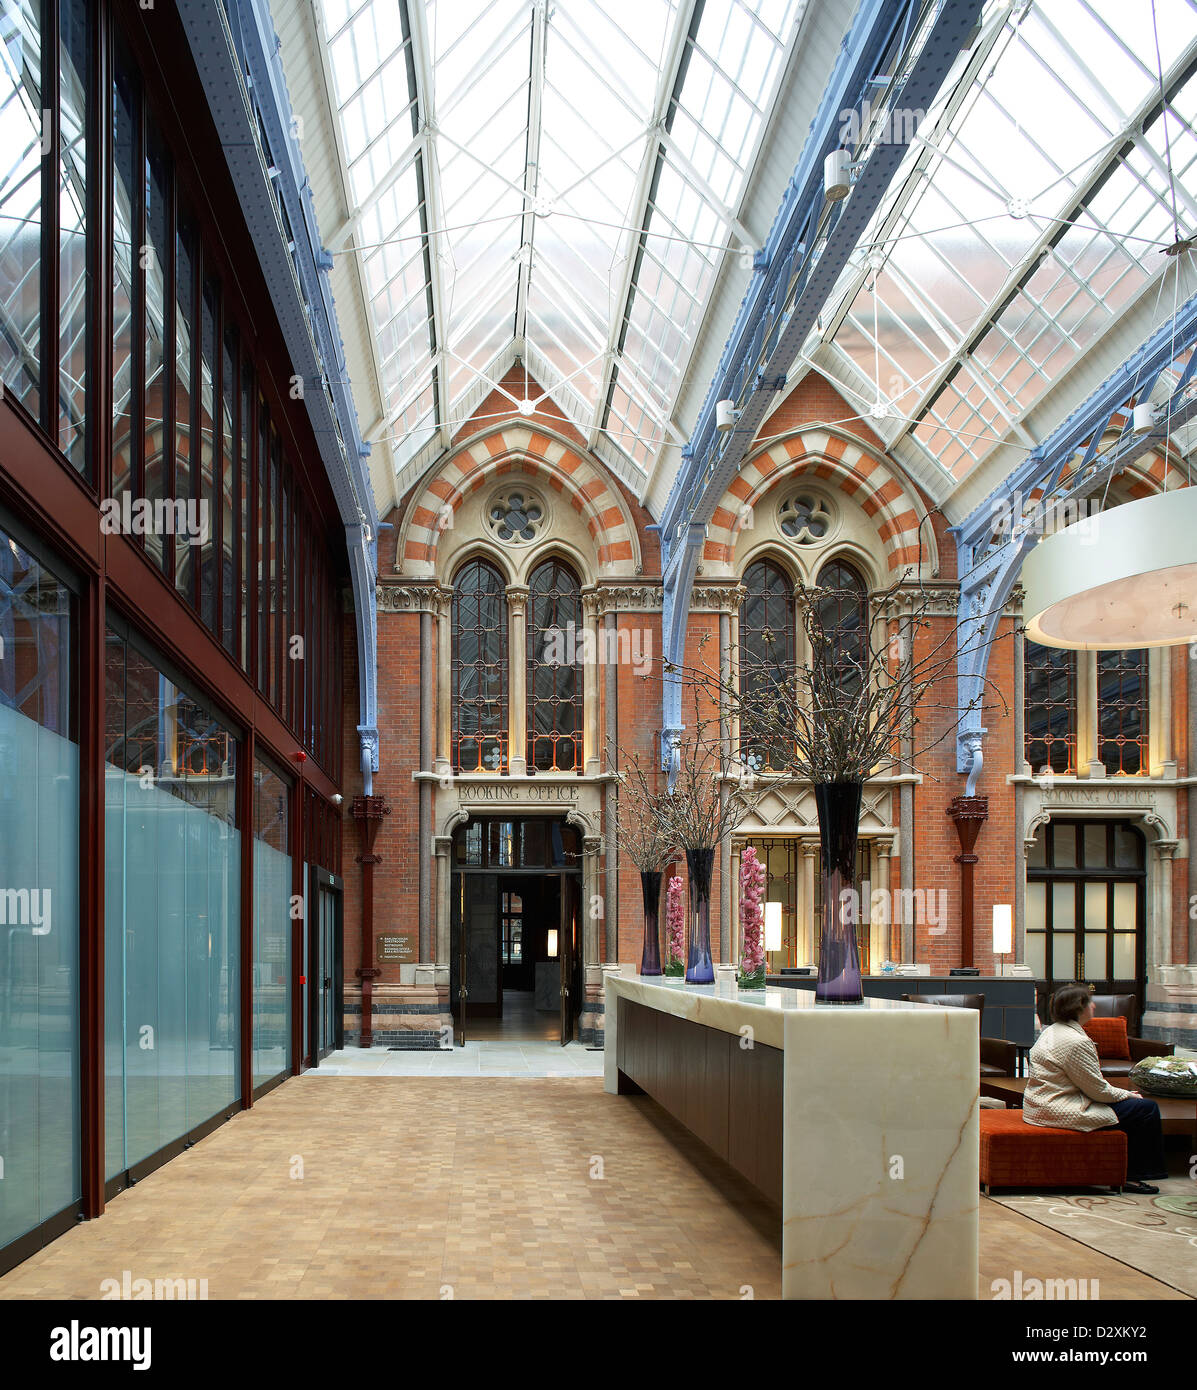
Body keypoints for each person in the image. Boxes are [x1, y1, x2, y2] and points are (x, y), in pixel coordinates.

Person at [1024, 983, 1168, 1195]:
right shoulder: (1076, 1041)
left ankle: (1124, 1168)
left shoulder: (1052, 1031)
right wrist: (1128, 1094)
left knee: (1135, 1108)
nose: (1094, 1006)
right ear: (1079, 1007)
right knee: (1145, 1109)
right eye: (1089, 1002)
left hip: (1040, 1104)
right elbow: (1097, 1090)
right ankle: (1135, 1176)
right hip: (1060, 1108)